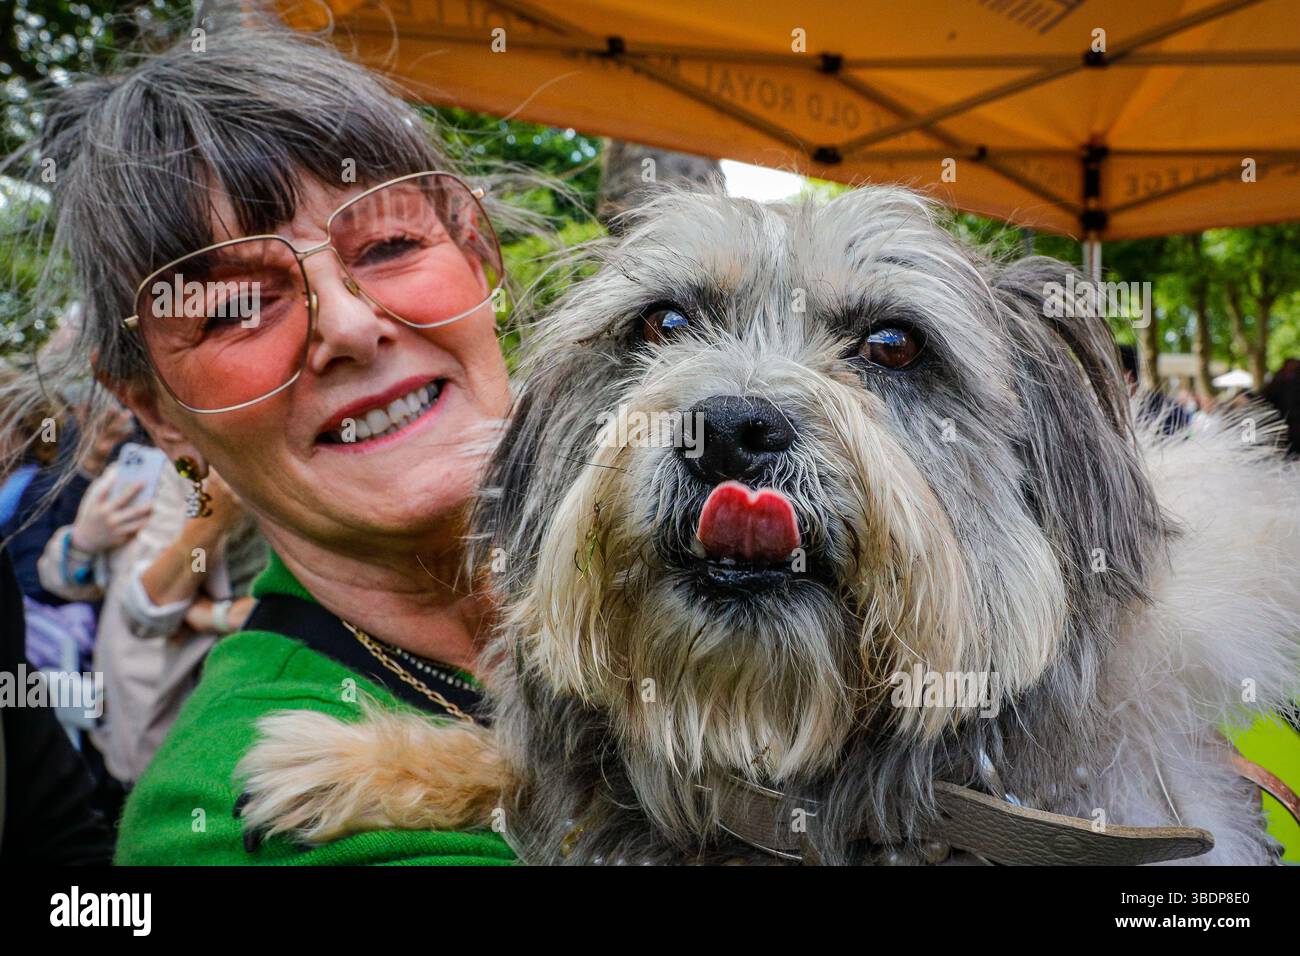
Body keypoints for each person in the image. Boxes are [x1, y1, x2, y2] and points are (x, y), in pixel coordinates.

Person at [7, 18, 519, 864]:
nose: (351, 325)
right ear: (156, 410)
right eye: (237, 307)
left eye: (390, 244)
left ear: (479, 254)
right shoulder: (219, 814)